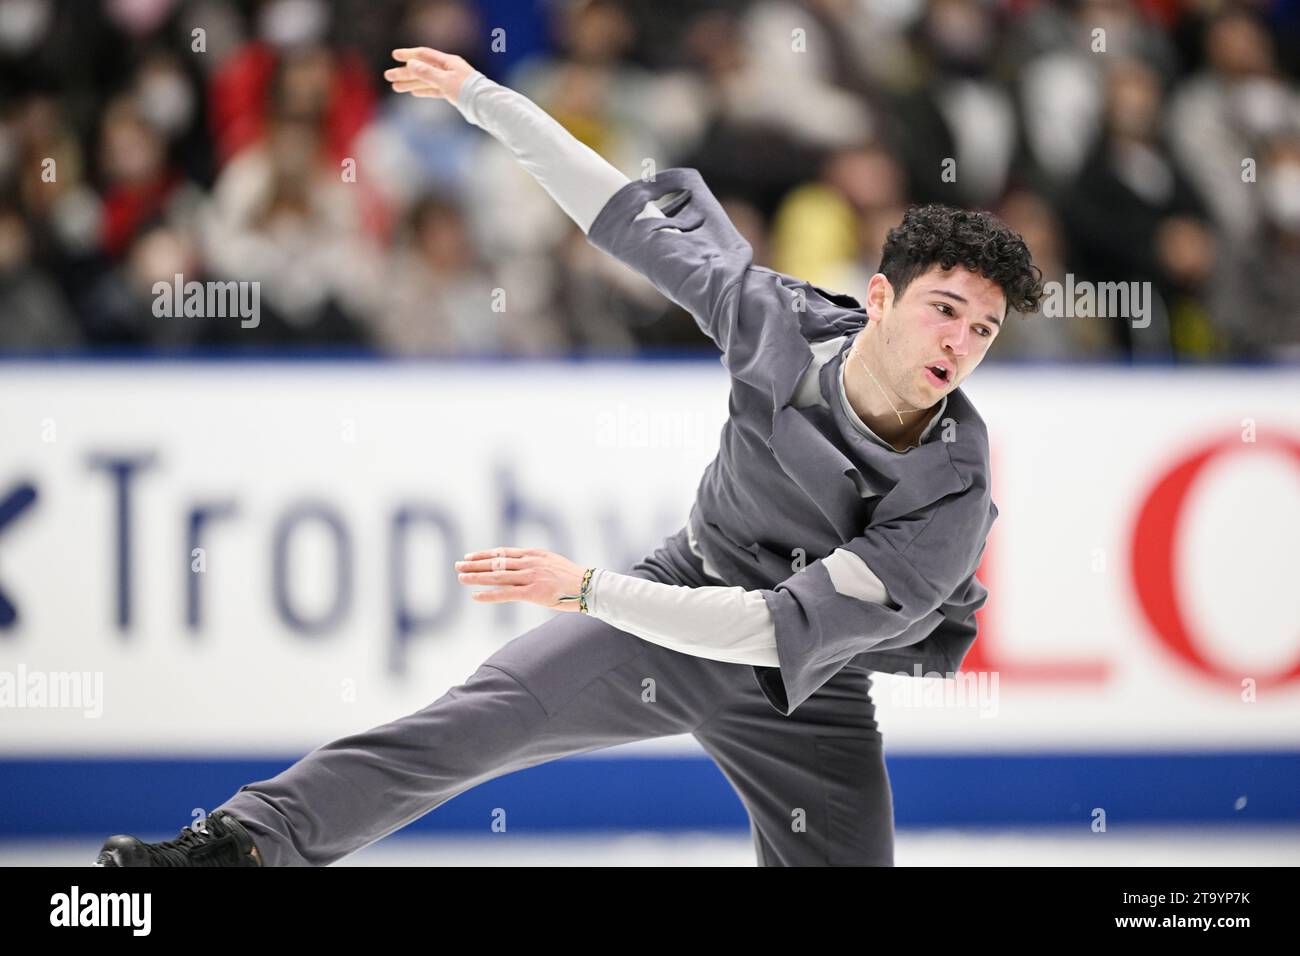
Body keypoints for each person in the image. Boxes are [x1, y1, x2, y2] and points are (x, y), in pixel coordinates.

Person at [95, 47, 1043, 868]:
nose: (958, 344)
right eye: (943, 309)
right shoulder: (775, 320)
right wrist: (482, 96)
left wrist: (591, 590)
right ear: (879, 298)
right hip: (683, 593)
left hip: (808, 678)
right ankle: (242, 845)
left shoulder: (952, 490)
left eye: (984, 331)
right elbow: (618, 213)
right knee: (476, 719)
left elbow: (769, 631)